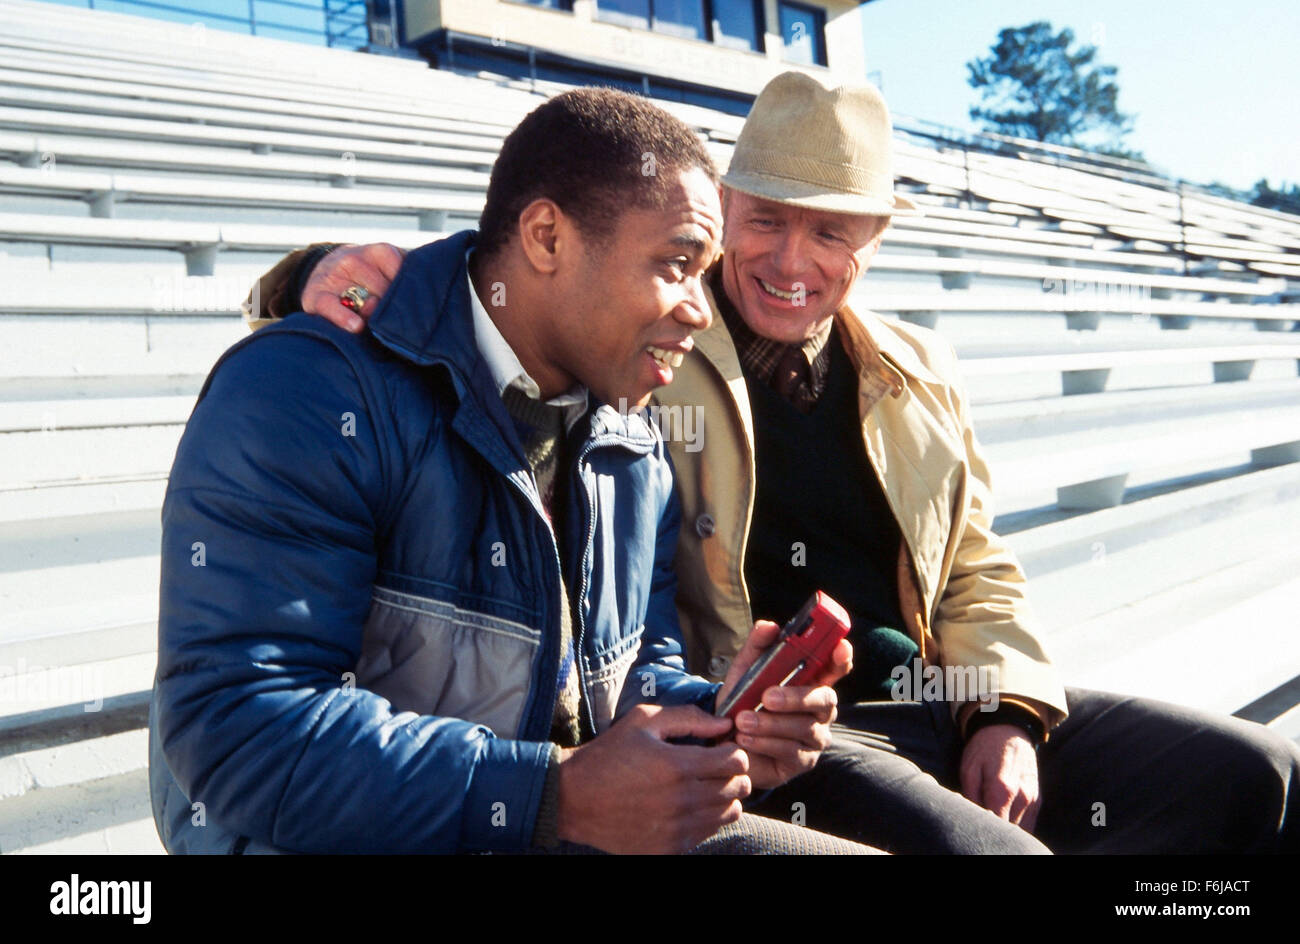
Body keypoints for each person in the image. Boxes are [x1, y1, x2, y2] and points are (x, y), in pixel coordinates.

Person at [247, 72, 1300, 854]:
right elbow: (497, 280)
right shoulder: (643, 338)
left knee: (1257, 773)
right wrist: (311, 274)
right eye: (765, 221)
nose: (791, 262)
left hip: (935, 693)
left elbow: (978, 565)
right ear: (719, 214)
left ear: (870, 242)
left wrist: (1005, 712)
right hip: (768, 727)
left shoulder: (914, 370)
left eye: (829, 231)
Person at [147, 86, 883, 855]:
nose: (702, 311)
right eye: (676, 264)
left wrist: (725, 718)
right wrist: (549, 796)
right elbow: (239, 727)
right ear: (544, 237)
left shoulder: (632, 439)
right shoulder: (305, 388)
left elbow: (633, 677)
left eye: (706, 272)